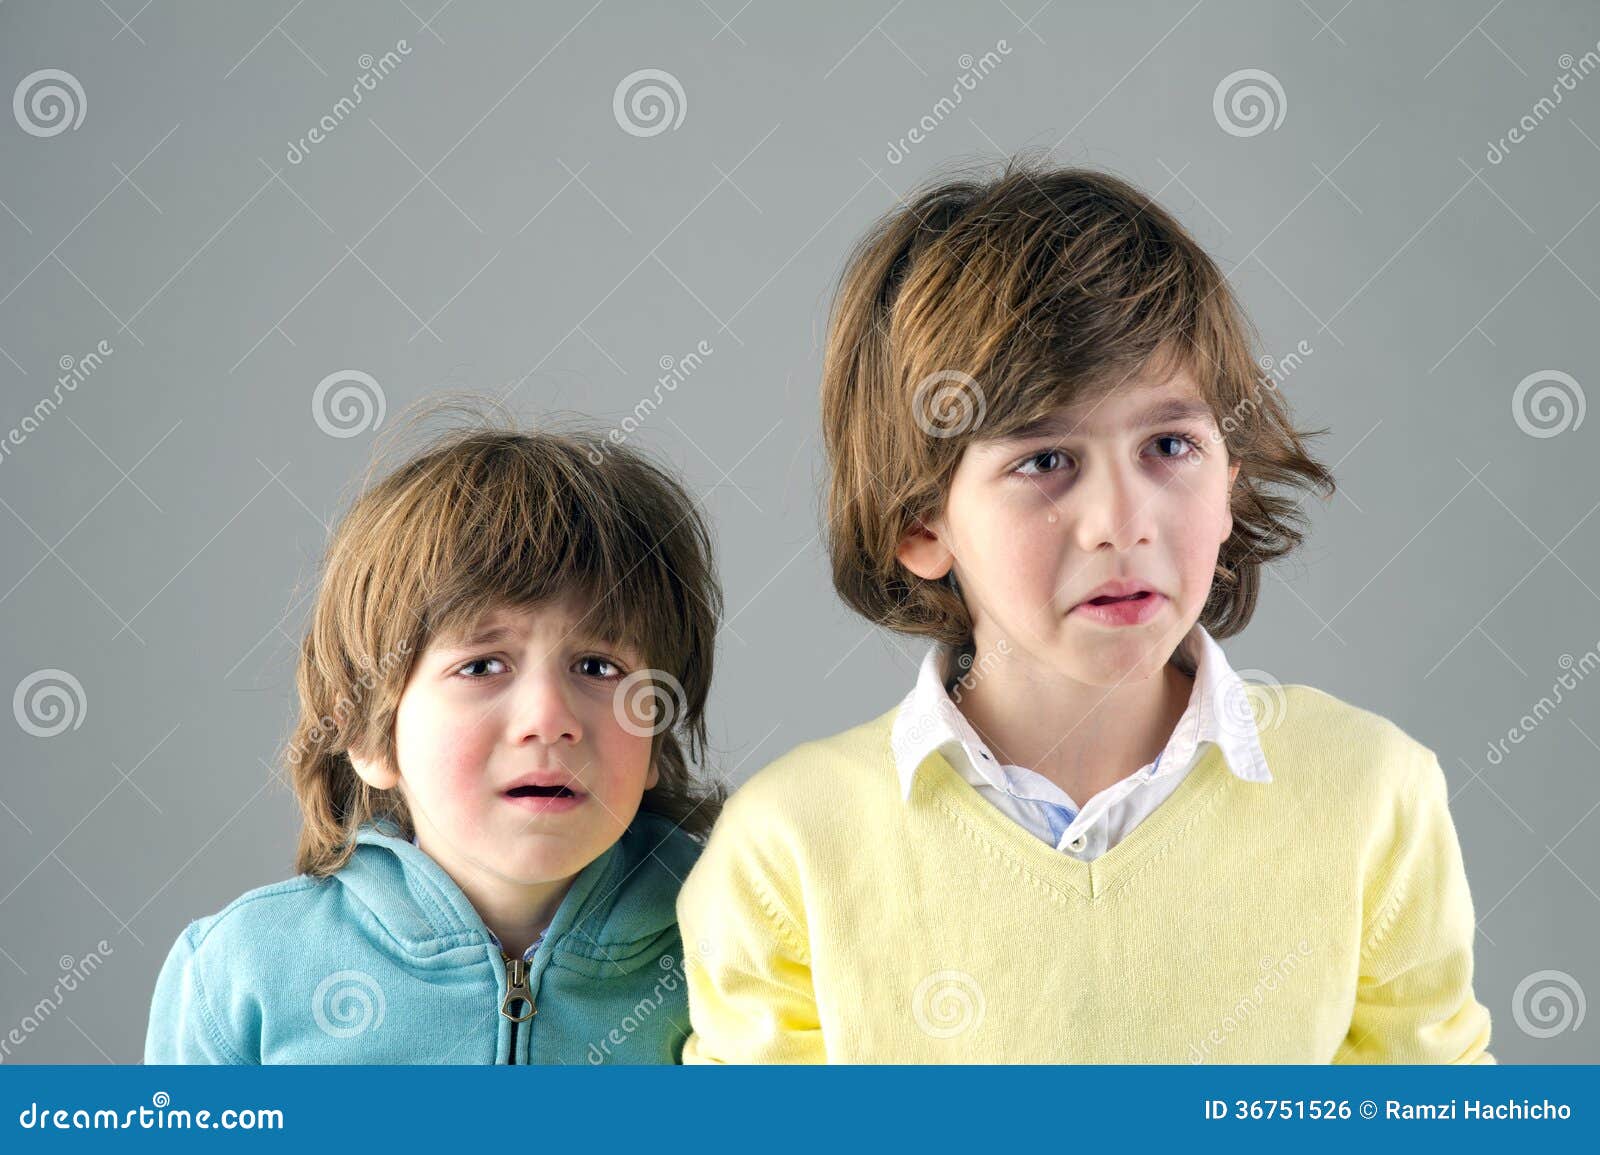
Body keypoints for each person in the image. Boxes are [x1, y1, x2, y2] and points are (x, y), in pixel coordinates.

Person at [676, 161, 1493, 1063]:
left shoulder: (1371, 793)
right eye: (1046, 460)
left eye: (1169, 445)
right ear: (920, 522)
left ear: (1230, 480)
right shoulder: (790, 844)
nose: (1121, 523)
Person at [146, 407, 721, 1063]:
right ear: (369, 735)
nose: (548, 717)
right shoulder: (240, 974)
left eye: (598, 667)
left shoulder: (740, 950)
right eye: (480, 666)